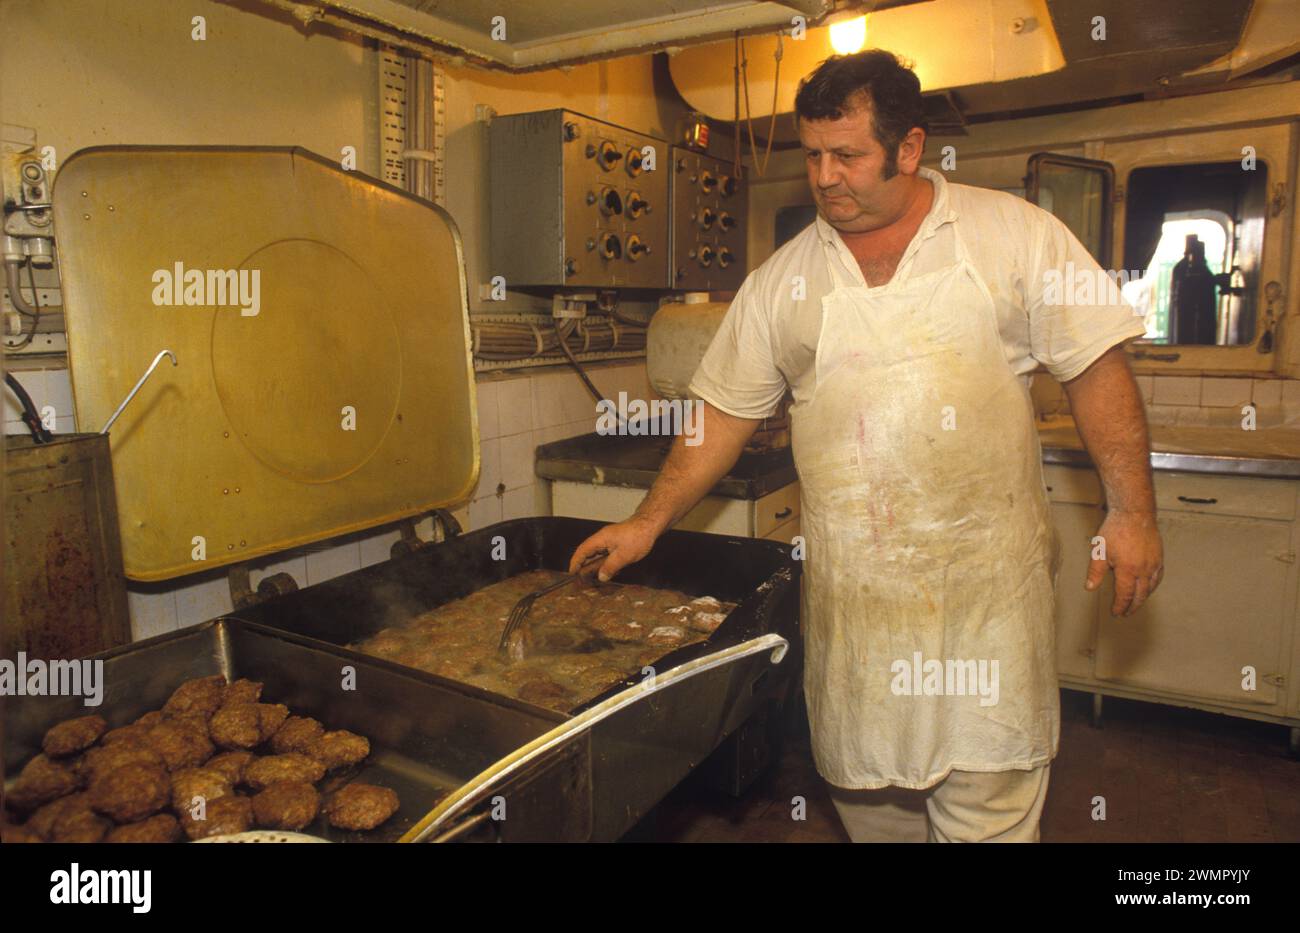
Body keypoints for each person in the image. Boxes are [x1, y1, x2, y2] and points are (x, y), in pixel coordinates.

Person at [569, 49, 1163, 842]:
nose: (824, 177)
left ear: (909, 149)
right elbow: (721, 415)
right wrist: (649, 520)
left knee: (987, 809)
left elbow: (1097, 367)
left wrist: (1131, 510)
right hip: (861, 616)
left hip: (986, 608)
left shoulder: (1015, 238)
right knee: (871, 809)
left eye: (846, 155)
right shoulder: (781, 281)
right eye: (812, 155)